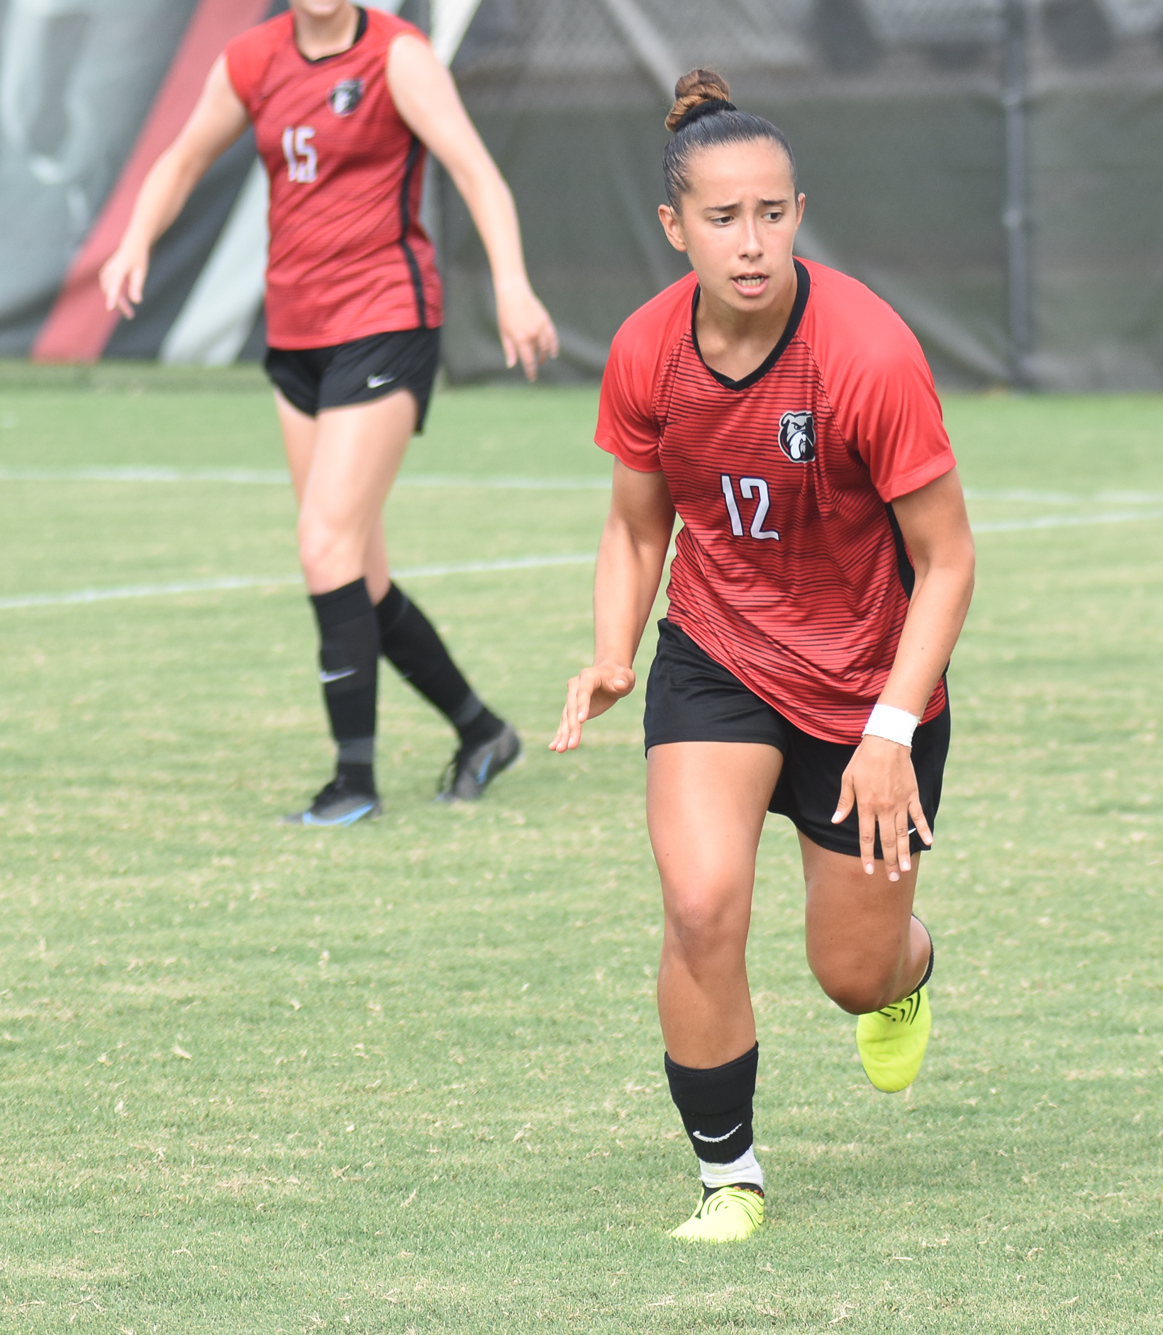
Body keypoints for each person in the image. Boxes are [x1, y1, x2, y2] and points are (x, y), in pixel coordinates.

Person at [549, 70, 975, 1244]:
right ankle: (726, 1174)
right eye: (724, 219)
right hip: (717, 655)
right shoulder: (645, 351)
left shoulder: (868, 352)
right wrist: (611, 646)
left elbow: (945, 563)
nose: (753, 243)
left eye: (774, 214)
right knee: (697, 906)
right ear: (673, 227)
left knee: (852, 971)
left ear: (799, 213)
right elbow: (640, 525)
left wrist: (891, 728)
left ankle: (908, 968)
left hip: (865, 686)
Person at [99, 0, 558, 825]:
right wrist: (134, 240)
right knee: (355, 574)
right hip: (297, 337)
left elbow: (476, 173)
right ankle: (482, 731)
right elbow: (179, 160)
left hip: (385, 321)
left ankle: (353, 784)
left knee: (322, 544)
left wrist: (513, 284)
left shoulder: (398, 56)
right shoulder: (251, 60)